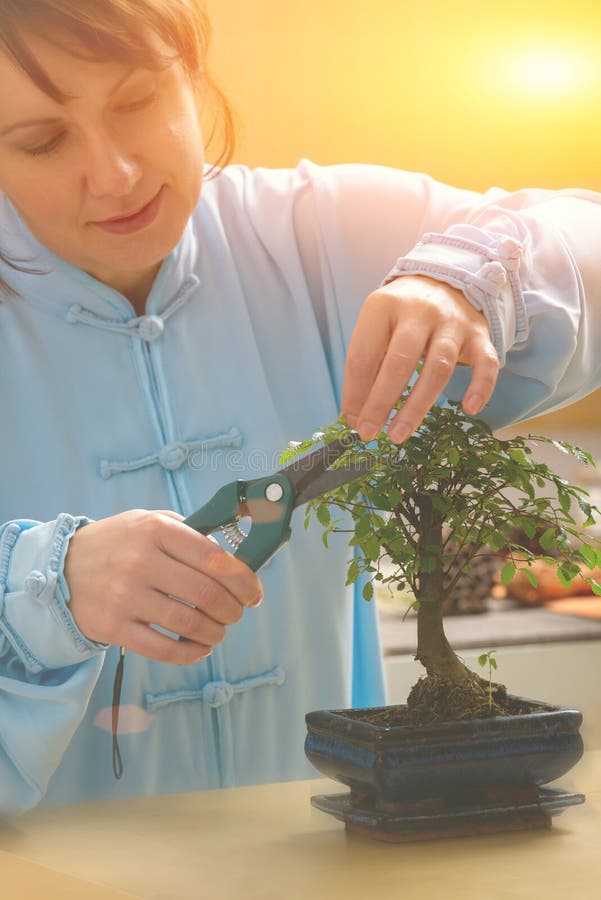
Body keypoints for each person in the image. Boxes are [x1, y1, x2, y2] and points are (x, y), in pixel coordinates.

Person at [0, 0, 600, 816]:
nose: (114, 176)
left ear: (194, 80)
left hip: (322, 863)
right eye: (40, 141)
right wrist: (42, 584)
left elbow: (581, 237)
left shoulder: (320, 230)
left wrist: (462, 274)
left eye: (136, 101)